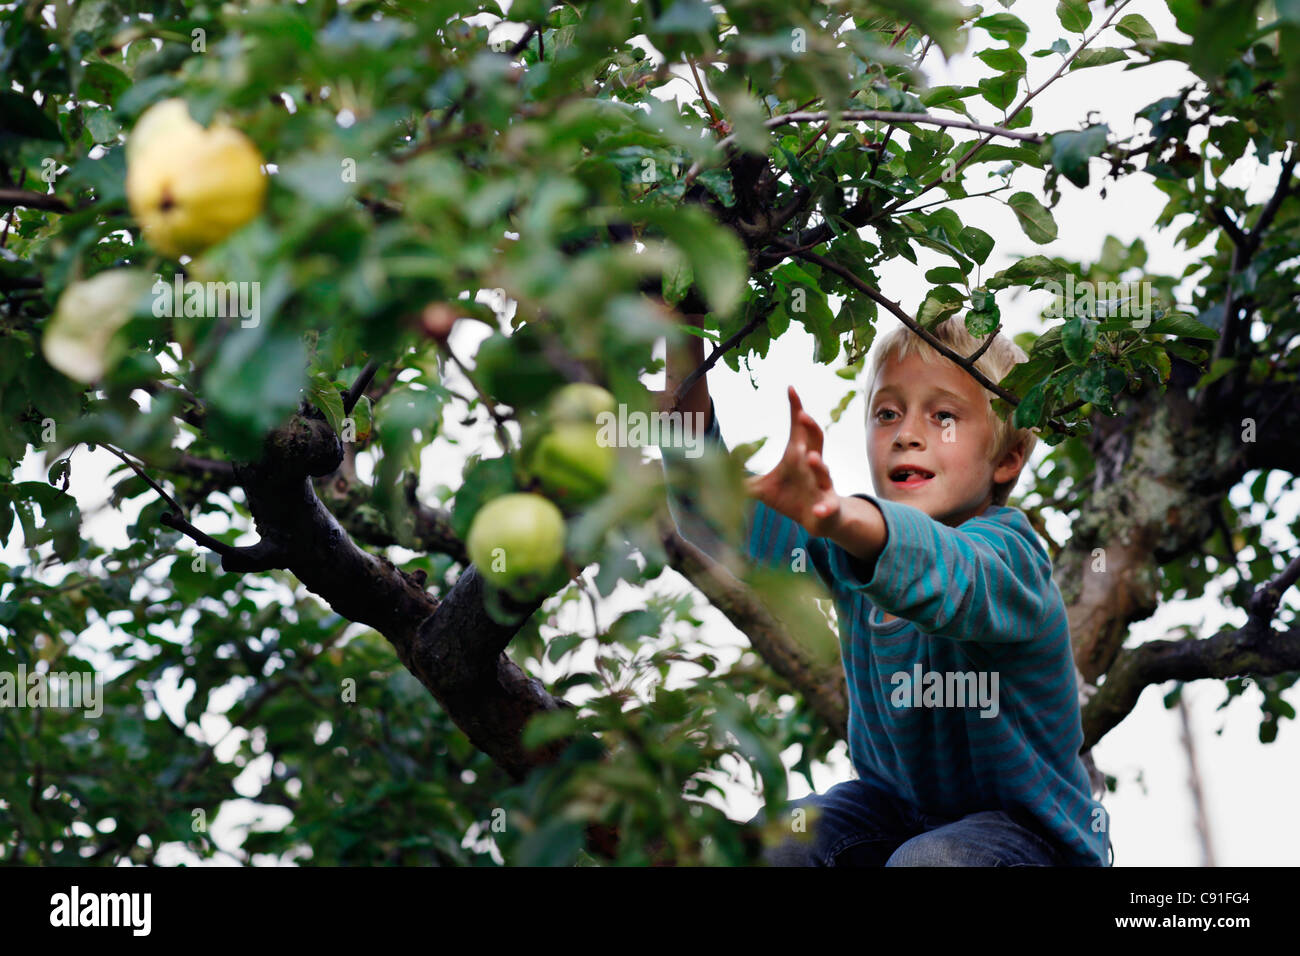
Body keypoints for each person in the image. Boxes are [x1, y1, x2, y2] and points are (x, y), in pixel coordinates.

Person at [661, 313, 1112, 866]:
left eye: (943, 415)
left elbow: (947, 572)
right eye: (886, 413)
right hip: (894, 815)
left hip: (1031, 837)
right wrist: (682, 329)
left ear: (1007, 459)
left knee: (933, 860)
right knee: (774, 845)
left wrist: (840, 518)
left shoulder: (1011, 556)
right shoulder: (846, 542)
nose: (906, 434)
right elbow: (709, 517)